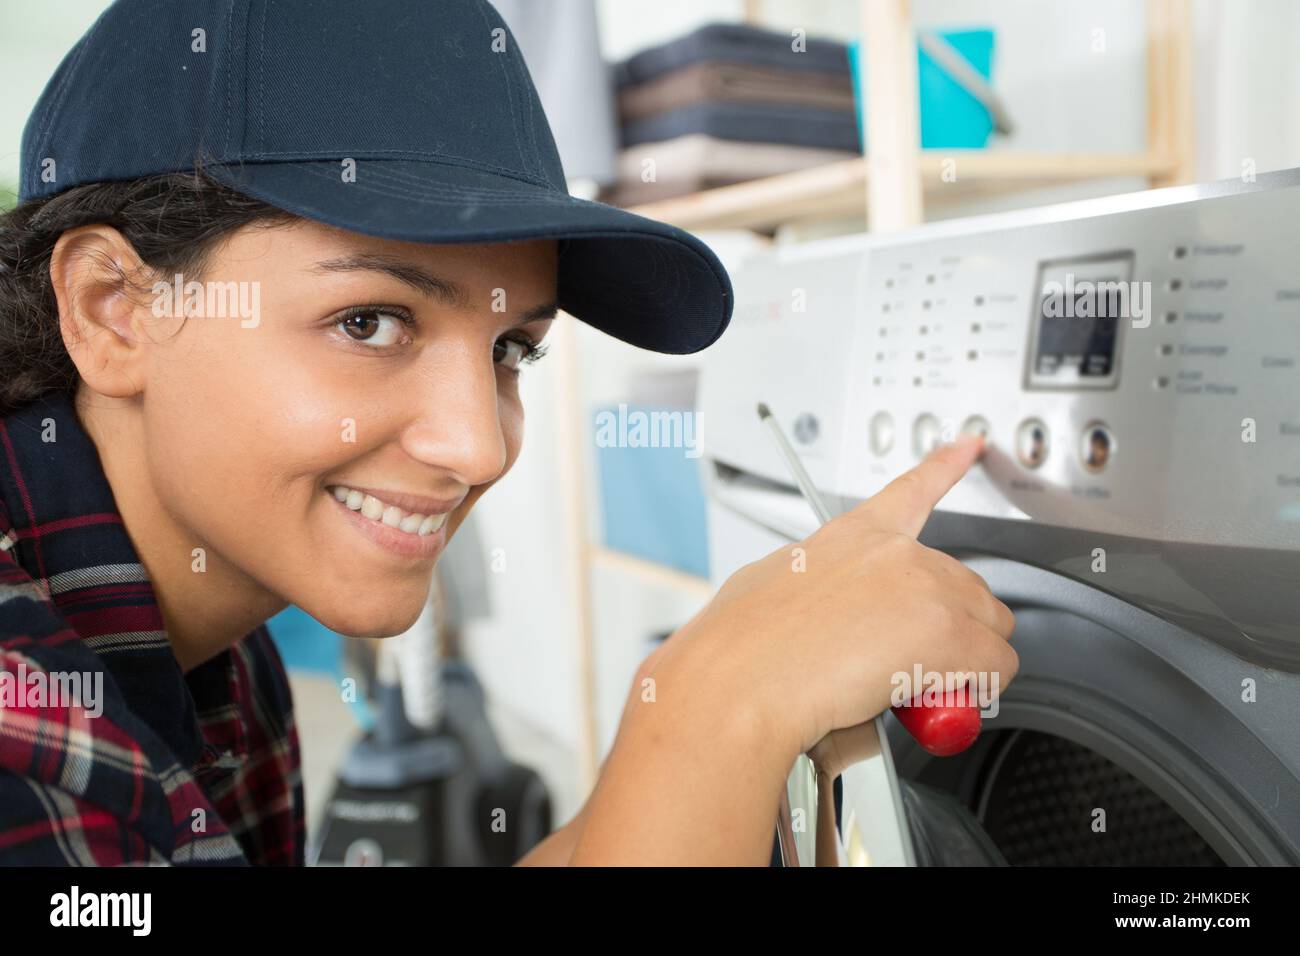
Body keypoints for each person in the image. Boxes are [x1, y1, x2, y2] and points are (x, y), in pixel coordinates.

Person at [0, 0, 1016, 866]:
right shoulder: (26, 728)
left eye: (509, 351)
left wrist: (692, 747)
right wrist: (712, 713)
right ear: (111, 308)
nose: (479, 449)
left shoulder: (217, 628)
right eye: (369, 322)